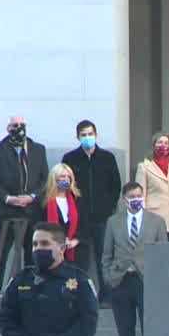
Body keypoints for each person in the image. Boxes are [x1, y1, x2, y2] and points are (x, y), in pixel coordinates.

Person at [102, 182, 168, 336]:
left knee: (151, 328)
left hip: (146, 281)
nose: (136, 200)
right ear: (125, 200)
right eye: (132, 197)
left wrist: (159, 281)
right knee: (125, 329)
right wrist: (108, 277)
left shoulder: (156, 221)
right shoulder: (113, 222)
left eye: (139, 196)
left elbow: (163, 254)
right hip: (121, 280)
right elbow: (106, 254)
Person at [0, 116, 49, 309]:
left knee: (32, 255)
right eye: (14, 125)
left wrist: (32, 196)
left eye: (22, 125)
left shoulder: (38, 149)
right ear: (8, 128)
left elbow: (44, 178)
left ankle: (30, 294)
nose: (19, 128)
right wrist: (7, 198)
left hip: (32, 211)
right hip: (6, 212)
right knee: (0, 255)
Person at [62, 120, 121, 301]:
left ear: (96, 135)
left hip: (102, 218)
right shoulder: (70, 159)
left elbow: (116, 186)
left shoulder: (107, 158)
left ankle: (107, 295)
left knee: (104, 256)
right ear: (78, 137)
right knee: (80, 259)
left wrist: (108, 208)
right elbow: (65, 186)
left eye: (90, 134)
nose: (87, 137)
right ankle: (79, 295)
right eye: (83, 135)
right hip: (79, 219)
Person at [34, 164, 82, 267]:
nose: (66, 179)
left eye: (69, 177)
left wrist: (75, 240)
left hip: (72, 252)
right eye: (62, 176)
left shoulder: (77, 199)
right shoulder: (43, 200)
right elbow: (38, 225)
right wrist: (59, 240)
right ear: (54, 179)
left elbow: (84, 225)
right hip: (48, 251)